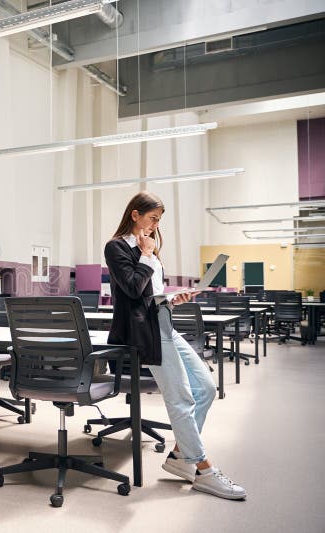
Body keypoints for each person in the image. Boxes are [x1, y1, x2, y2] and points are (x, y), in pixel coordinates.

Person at [105, 191, 246, 501]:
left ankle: (180, 457)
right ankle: (205, 471)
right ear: (135, 215)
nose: (156, 225)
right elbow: (130, 289)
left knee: (206, 388)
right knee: (181, 397)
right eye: (153, 218)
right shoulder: (117, 247)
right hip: (145, 334)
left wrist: (172, 298)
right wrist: (145, 254)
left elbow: (148, 295)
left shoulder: (150, 250)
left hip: (164, 324)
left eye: (159, 220)